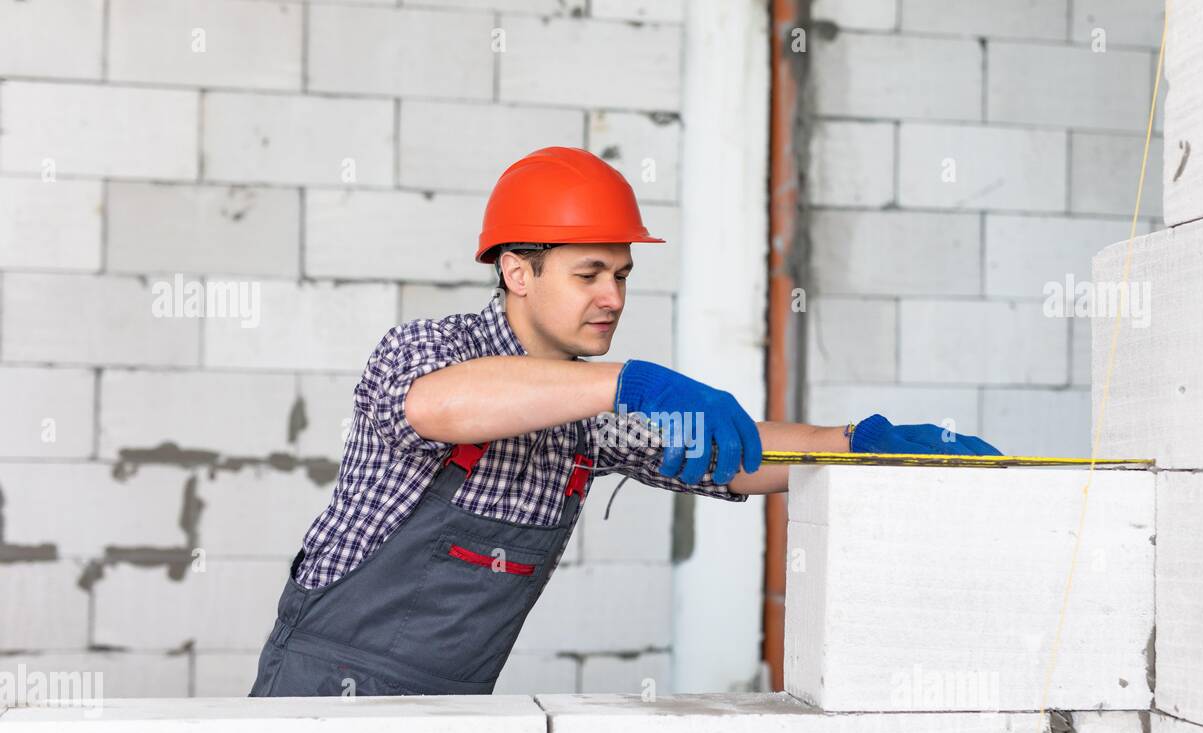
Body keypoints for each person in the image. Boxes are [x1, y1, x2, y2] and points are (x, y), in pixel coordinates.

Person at [248, 146, 1001, 698]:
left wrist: (855, 447)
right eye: (588, 275)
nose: (613, 297)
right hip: (321, 691)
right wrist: (627, 382)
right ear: (518, 271)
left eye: (622, 275)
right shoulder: (433, 350)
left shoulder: (589, 414)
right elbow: (438, 407)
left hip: (451, 710)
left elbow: (733, 454)